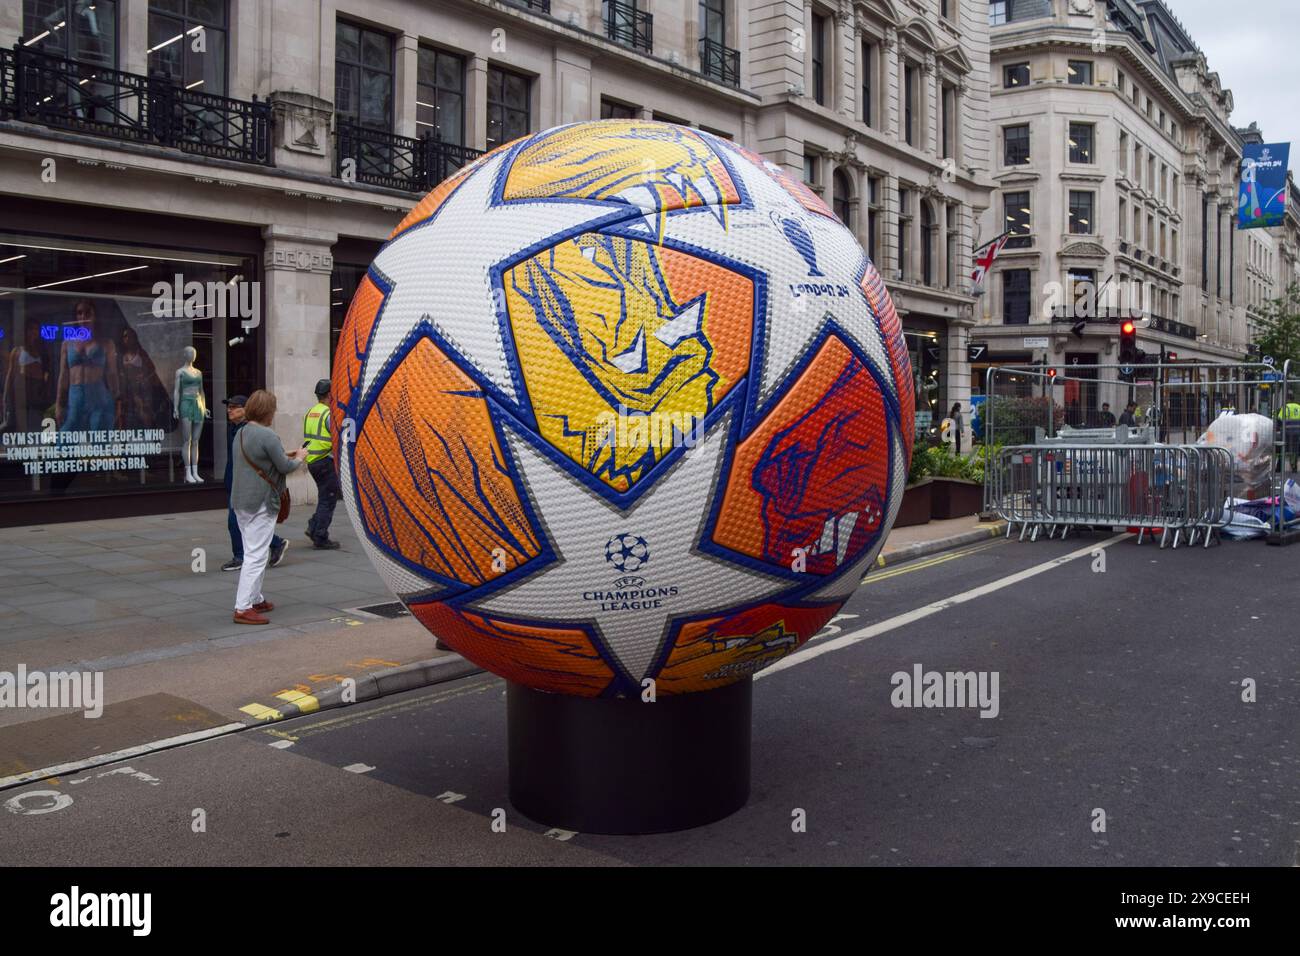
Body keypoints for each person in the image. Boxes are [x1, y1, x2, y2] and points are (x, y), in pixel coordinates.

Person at [230, 390, 306, 625]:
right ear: (267, 412)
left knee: (255, 550)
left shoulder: (241, 433)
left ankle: (255, 598)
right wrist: (300, 456)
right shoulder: (268, 435)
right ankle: (243, 607)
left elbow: (262, 457)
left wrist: (286, 454)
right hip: (261, 502)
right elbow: (284, 467)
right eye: (273, 409)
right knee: (255, 555)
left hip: (241, 501)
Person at [221, 394, 287, 572]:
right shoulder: (234, 428)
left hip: (249, 486)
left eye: (234, 407)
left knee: (236, 522)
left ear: (246, 410)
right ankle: (275, 543)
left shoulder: (250, 431)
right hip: (234, 481)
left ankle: (241, 556)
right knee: (247, 525)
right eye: (229, 406)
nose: (230, 410)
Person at [56, 299, 120, 432]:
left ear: (94, 315)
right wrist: (59, 404)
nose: (83, 317)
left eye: (87, 313)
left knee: (99, 441)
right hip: (75, 395)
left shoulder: (106, 343)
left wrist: (118, 402)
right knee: (65, 440)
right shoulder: (67, 344)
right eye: (79, 313)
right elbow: (63, 376)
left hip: (98, 395)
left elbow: (112, 374)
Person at [303, 378, 342, 550]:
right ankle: (320, 536)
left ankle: (313, 525)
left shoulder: (311, 412)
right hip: (325, 460)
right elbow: (337, 437)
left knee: (324, 497)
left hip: (312, 461)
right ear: (329, 394)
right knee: (329, 499)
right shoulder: (328, 414)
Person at [2, 322, 50, 432]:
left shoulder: (42, 350)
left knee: (39, 421)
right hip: (22, 389)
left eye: (36, 329)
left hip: (38, 389)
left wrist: (45, 388)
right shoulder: (17, 351)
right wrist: (6, 396)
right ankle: (20, 445)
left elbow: (47, 371)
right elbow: (10, 373)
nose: (33, 332)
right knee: (21, 421)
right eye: (30, 329)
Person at [1280, 399, 1300, 472]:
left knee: (1285, 447)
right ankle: (1294, 463)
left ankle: (1288, 463)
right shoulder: (1298, 407)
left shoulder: (1286, 407)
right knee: (1295, 448)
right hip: (1297, 431)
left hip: (1287, 432)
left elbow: (1280, 418)